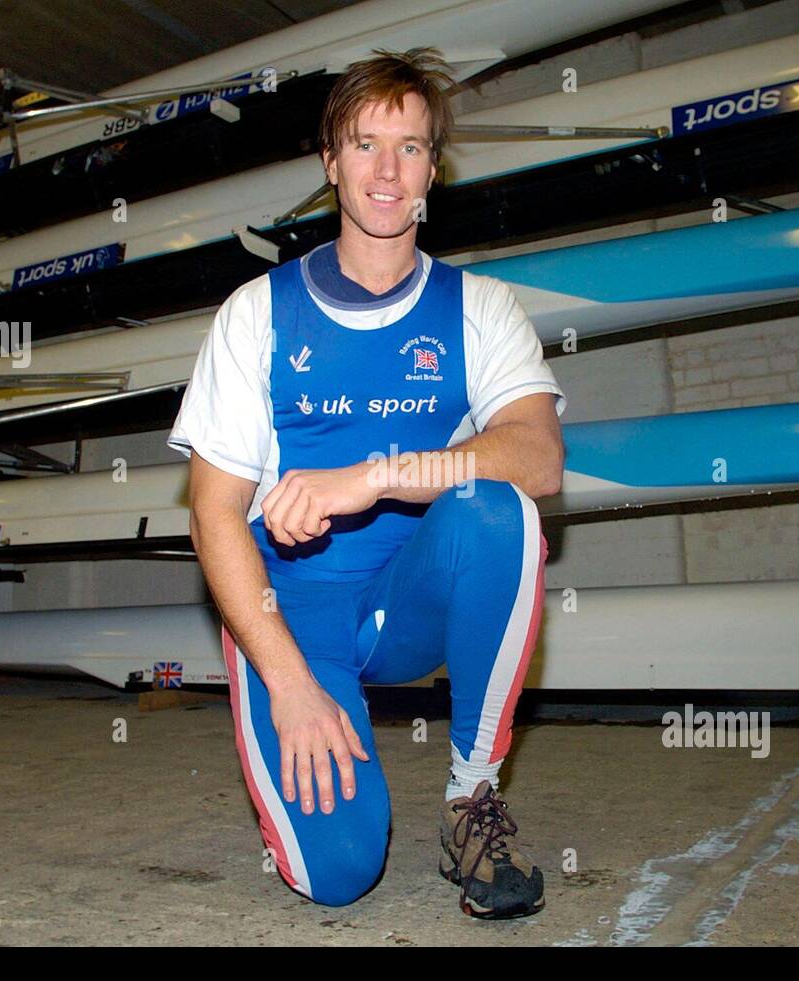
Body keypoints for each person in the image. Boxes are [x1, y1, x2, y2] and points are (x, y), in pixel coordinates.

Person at [167, 47, 566, 919]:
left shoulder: (481, 308)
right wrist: (291, 684)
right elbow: (212, 517)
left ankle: (471, 795)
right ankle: (302, 745)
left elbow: (538, 459)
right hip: (290, 617)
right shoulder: (257, 313)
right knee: (342, 875)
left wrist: (376, 476)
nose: (387, 171)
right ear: (330, 163)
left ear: (434, 169)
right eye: (364, 145)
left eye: (412, 148)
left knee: (499, 511)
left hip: (403, 601)